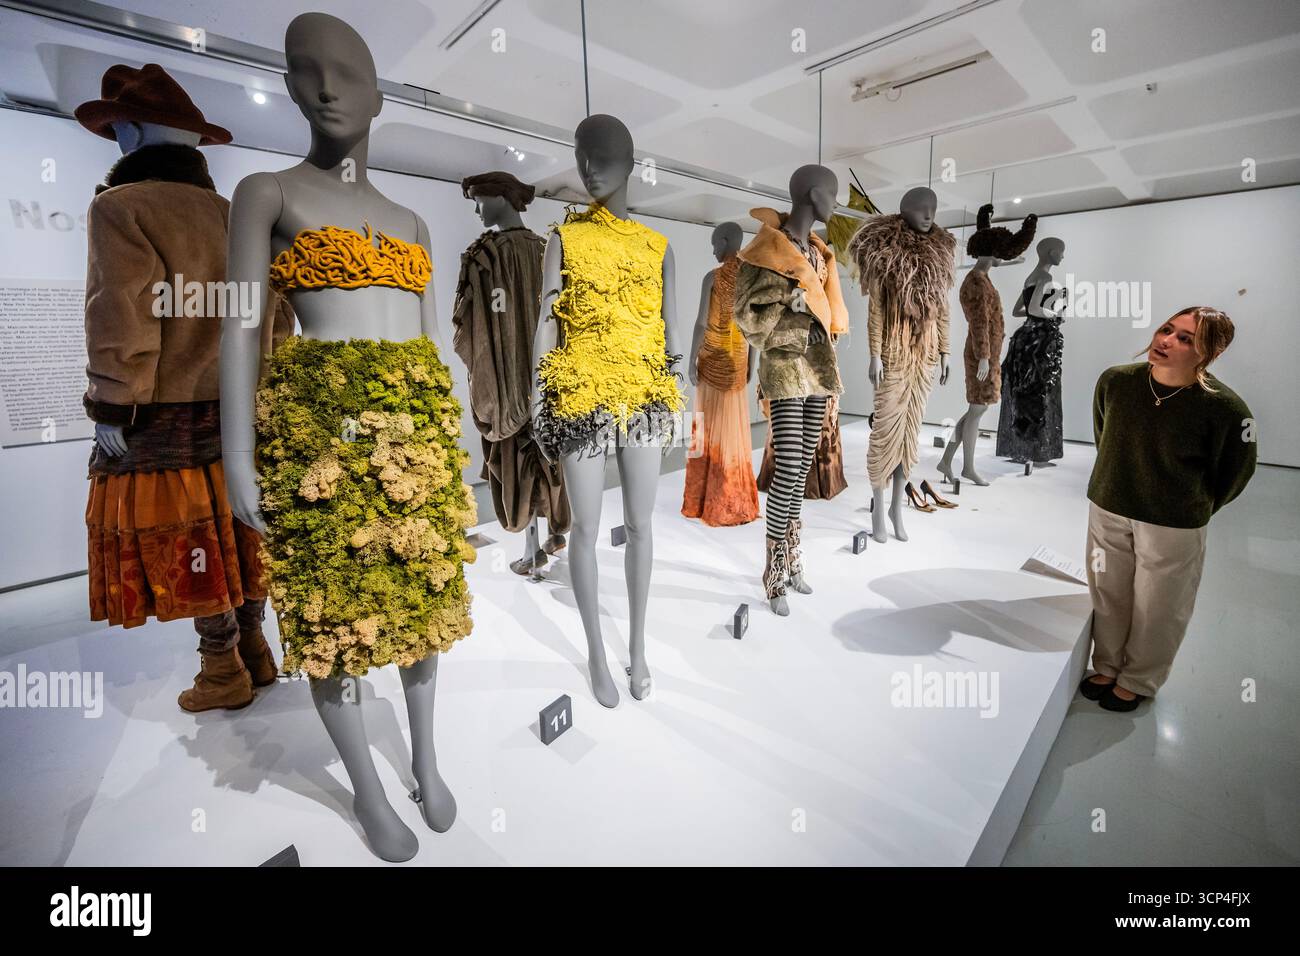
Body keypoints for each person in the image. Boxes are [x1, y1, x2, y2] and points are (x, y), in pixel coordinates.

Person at [1080, 307, 1256, 711]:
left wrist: (1193, 506)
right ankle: (1105, 664)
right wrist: (1114, 479)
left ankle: (1140, 677)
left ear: (1211, 352)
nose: (1166, 341)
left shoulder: (1226, 409)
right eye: (1167, 329)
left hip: (1173, 521)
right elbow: (1103, 434)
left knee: (1160, 602)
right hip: (1109, 504)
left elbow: (1234, 472)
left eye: (1186, 339)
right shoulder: (1117, 381)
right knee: (1108, 591)